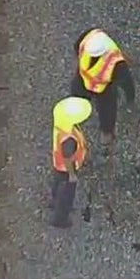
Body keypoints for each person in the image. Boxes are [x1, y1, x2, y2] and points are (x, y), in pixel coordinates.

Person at [71, 28, 136, 147]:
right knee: (107, 111)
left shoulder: (87, 38)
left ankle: (73, 120)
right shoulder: (115, 62)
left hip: (82, 80)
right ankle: (106, 134)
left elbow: (76, 48)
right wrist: (130, 96)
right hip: (103, 89)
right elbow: (126, 80)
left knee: (77, 99)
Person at [49, 96, 92, 228]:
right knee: (67, 193)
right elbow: (68, 157)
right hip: (66, 169)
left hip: (58, 165)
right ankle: (60, 219)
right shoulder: (69, 139)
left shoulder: (62, 123)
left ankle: (53, 201)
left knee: (57, 184)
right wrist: (72, 175)